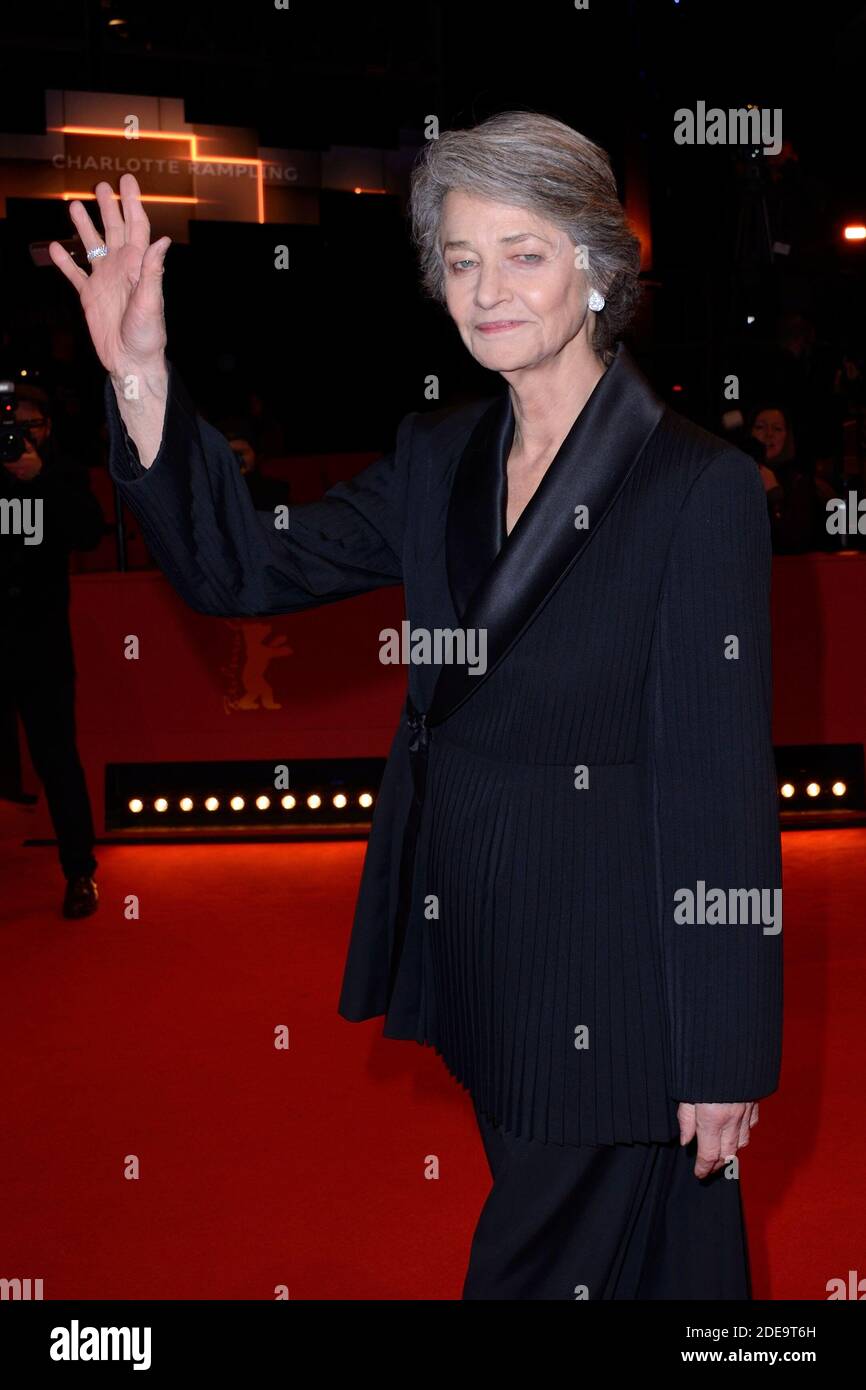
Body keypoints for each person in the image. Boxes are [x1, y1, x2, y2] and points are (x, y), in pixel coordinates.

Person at [49, 110, 783, 1300]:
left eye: (522, 252)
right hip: (483, 960)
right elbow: (247, 565)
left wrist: (723, 1048)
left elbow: (719, 788)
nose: (485, 290)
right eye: (458, 258)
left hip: (618, 994)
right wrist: (139, 371)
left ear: (598, 268)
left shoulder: (695, 488)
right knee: (659, 1269)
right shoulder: (437, 455)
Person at [0, 382, 104, 917]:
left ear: (48, 429)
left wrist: (40, 480)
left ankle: (80, 873)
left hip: (41, 645)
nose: (18, 436)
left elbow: (90, 532)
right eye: (10, 426)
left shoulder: (63, 474)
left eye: (30, 425)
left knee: (57, 759)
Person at [749, 402, 829, 552]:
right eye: (760, 427)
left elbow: (795, 541)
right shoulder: (736, 476)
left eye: (777, 428)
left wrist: (774, 494)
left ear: (787, 436)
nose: (769, 434)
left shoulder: (799, 481)